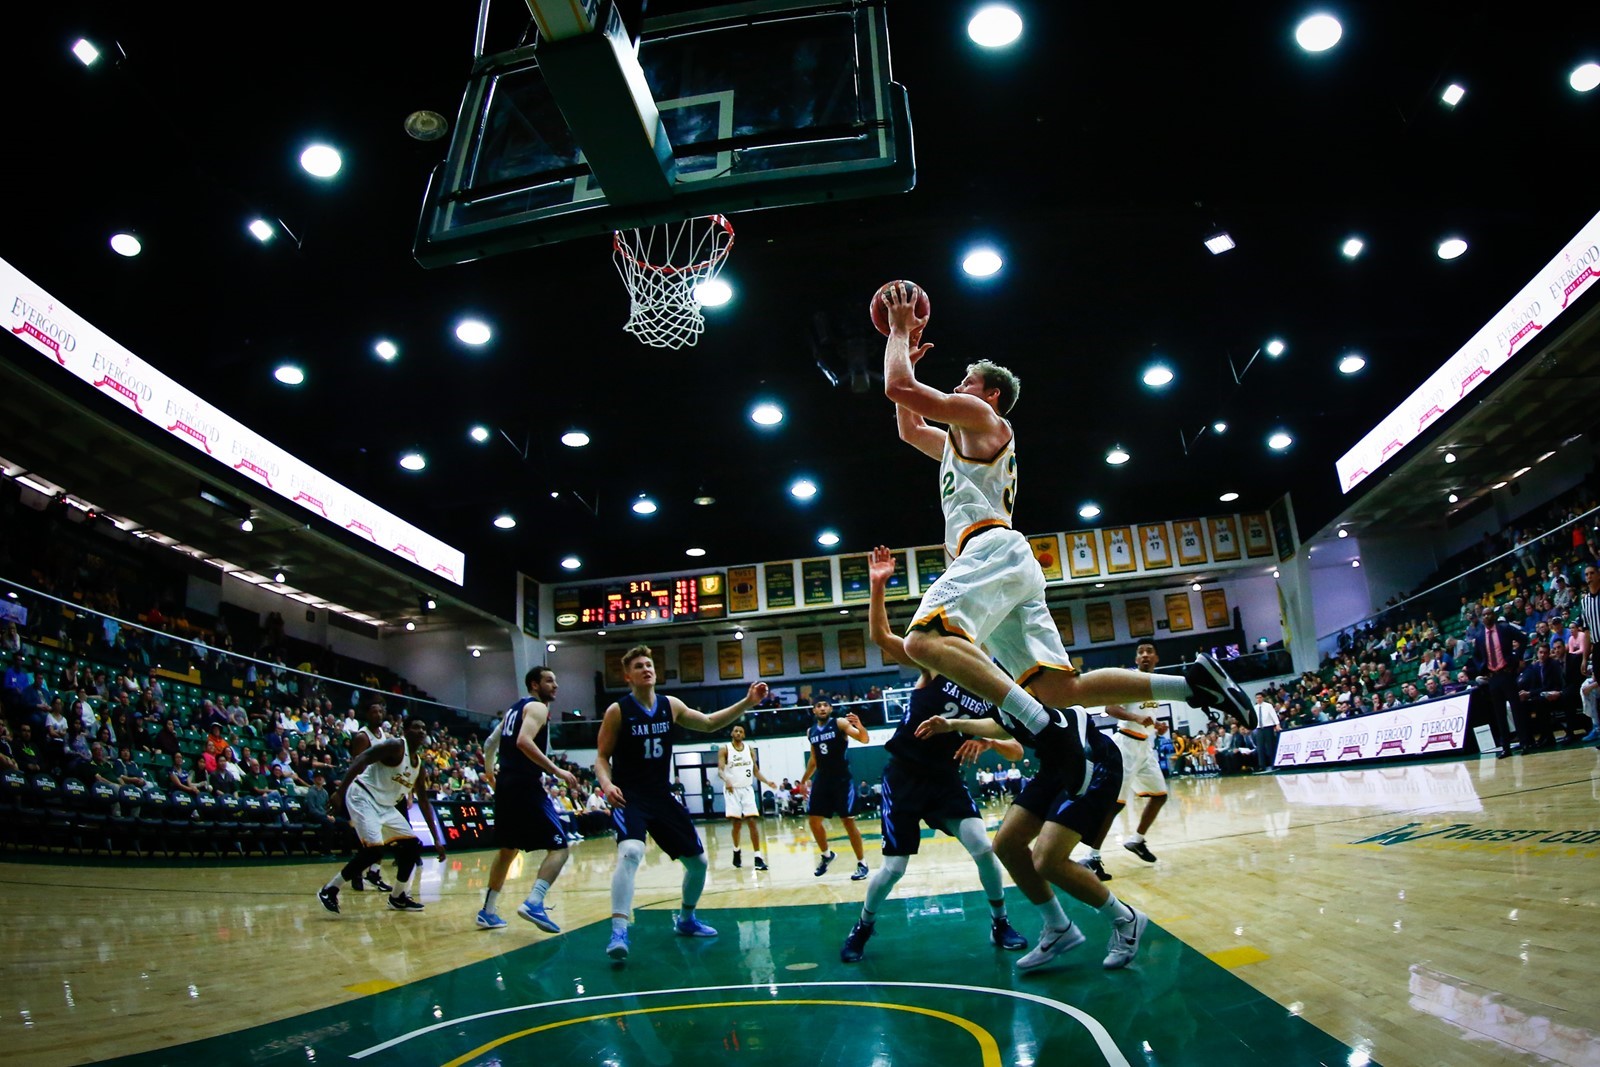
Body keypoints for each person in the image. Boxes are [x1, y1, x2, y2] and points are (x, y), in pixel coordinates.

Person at [877, 283, 1256, 750]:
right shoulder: (962, 443)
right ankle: (1192, 685)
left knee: (922, 643)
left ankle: (1036, 724)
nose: (958, 388)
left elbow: (898, 387)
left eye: (967, 383)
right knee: (1061, 690)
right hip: (1005, 562)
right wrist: (906, 357)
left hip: (990, 549)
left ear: (990, 395)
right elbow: (909, 426)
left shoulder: (982, 417)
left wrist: (897, 330)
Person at [839, 545, 1029, 963]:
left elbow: (1009, 738)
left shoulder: (995, 683)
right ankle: (862, 927)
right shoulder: (937, 662)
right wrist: (877, 587)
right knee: (894, 868)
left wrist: (984, 736)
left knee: (982, 846)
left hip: (945, 778)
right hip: (904, 774)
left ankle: (1000, 922)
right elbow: (881, 638)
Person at [915, 693, 1149, 972]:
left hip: (1088, 757)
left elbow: (1063, 694)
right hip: (1054, 765)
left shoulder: (1015, 666)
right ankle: (1058, 926)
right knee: (1006, 845)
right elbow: (1006, 724)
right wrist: (954, 725)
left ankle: (1125, 918)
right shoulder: (982, 686)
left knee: (1048, 860)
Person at [594, 645, 769, 962]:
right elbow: (601, 758)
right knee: (631, 851)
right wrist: (606, 784)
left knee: (699, 864)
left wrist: (748, 702)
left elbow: (709, 723)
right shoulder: (618, 711)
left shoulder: (669, 705)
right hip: (630, 796)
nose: (646, 668)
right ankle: (619, 930)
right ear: (627, 676)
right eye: (639, 666)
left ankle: (686, 920)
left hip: (661, 796)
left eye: (649, 664)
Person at [475, 667, 577, 932]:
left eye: (555, 680)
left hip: (507, 785)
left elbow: (488, 744)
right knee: (560, 848)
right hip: (524, 785)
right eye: (549, 681)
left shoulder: (512, 710)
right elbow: (523, 741)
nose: (555, 685)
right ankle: (534, 901)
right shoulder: (538, 708)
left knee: (508, 850)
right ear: (534, 685)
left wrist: (490, 775)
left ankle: (487, 911)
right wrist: (557, 770)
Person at [317, 716, 445, 914]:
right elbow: (362, 759)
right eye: (416, 727)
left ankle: (398, 897)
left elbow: (425, 802)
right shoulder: (395, 746)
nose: (421, 731)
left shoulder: (418, 765)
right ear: (405, 731)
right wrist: (340, 792)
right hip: (363, 795)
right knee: (374, 852)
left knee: (412, 846)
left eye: (424, 728)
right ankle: (329, 889)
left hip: (385, 806)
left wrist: (437, 839)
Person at [1081, 641, 1172, 878]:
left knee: (1160, 796)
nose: (1144, 655)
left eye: (1149, 651)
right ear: (1136, 660)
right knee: (1115, 805)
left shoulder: (1156, 684)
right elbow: (1110, 708)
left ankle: (1137, 840)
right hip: (1125, 748)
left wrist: (1157, 726)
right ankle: (1092, 857)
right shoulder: (1128, 680)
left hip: (1145, 747)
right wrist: (1135, 717)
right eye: (1140, 652)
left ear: (1156, 658)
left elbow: (1147, 716)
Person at [799, 699, 871, 880]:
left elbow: (864, 739)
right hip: (822, 779)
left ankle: (862, 863)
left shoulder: (839, 723)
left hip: (841, 779)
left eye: (825, 705)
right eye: (818, 705)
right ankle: (826, 855)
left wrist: (859, 725)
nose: (822, 708)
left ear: (830, 709)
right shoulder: (811, 731)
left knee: (848, 821)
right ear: (813, 710)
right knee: (814, 821)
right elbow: (814, 760)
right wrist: (803, 780)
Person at [343, 699, 395, 893]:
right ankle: (357, 872)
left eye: (380, 712)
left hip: (379, 790)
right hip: (363, 791)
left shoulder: (385, 735)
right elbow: (356, 766)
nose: (378, 715)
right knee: (369, 838)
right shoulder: (362, 737)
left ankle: (374, 873)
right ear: (367, 715)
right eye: (374, 712)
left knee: (380, 835)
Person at [718, 724, 776, 871]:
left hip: (747, 789)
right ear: (732, 733)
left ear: (744, 735)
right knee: (737, 824)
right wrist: (727, 780)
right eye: (735, 731)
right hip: (732, 790)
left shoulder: (750, 750)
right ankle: (736, 850)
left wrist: (767, 781)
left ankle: (758, 857)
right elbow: (720, 770)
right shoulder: (724, 749)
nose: (738, 733)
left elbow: (755, 771)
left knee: (752, 822)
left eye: (741, 731)